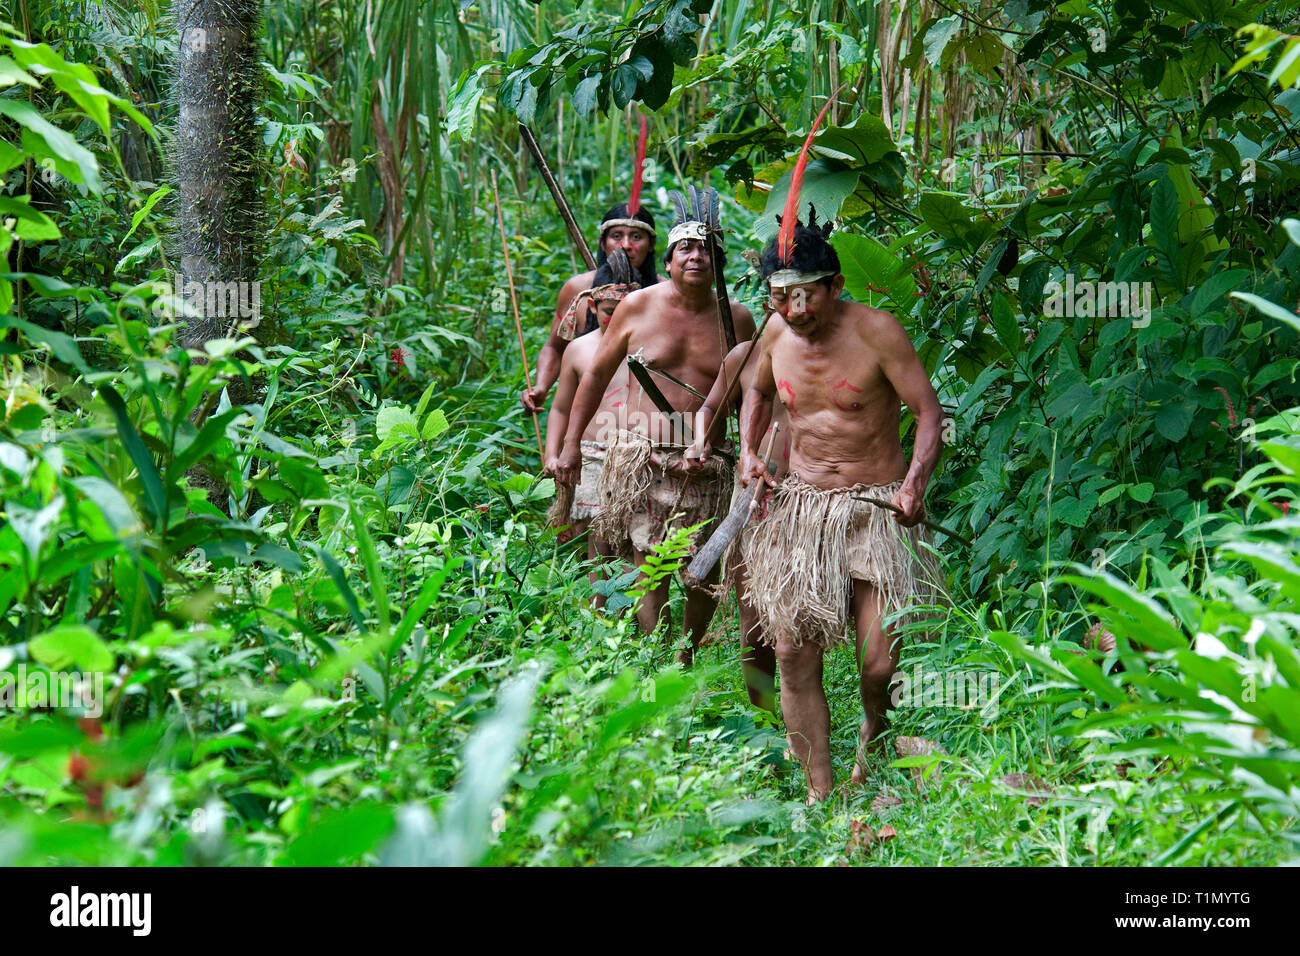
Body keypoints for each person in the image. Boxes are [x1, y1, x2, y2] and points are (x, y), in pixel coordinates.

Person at [739, 209, 945, 803]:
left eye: (808, 296)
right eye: (783, 298)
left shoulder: (878, 332)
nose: (797, 311)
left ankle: (875, 728)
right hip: (801, 508)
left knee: (878, 663)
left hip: (874, 509)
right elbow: (755, 391)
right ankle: (818, 793)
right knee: (791, 652)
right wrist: (751, 453)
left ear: (836, 286)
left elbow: (929, 414)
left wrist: (914, 484)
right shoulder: (775, 336)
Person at [553, 187, 755, 665]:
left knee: (703, 573)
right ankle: (660, 657)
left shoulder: (738, 319)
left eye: (707, 248)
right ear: (667, 262)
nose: (696, 256)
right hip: (641, 458)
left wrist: (751, 453)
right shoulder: (638, 307)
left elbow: (753, 396)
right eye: (685, 247)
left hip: (709, 462)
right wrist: (570, 446)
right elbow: (596, 376)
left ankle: (686, 652)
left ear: (719, 262)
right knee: (648, 565)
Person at [684, 339, 789, 712]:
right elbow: (710, 407)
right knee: (754, 616)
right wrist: (701, 441)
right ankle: (765, 719)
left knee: (801, 623)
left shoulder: (834, 346)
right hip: (754, 498)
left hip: (816, 497)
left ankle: (804, 724)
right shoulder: (745, 355)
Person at [543, 250, 639, 606]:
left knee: (635, 545)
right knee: (597, 544)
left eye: (624, 313)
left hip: (635, 457)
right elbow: (561, 408)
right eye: (608, 313)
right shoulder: (580, 350)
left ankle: (634, 626)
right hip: (591, 457)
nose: (615, 321)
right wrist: (552, 453)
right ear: (593, 309)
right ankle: (600, 619)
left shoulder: (648, 347)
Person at [520, 204, 659, 414]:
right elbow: (555, 347)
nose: (626, 245)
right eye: (617, 236)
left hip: (646, 416)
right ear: (603, 243)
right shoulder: (578, 289)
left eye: (637, 236)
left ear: (651, 244)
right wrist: (540, 387)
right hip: (587, 418)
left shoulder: (664, 293)